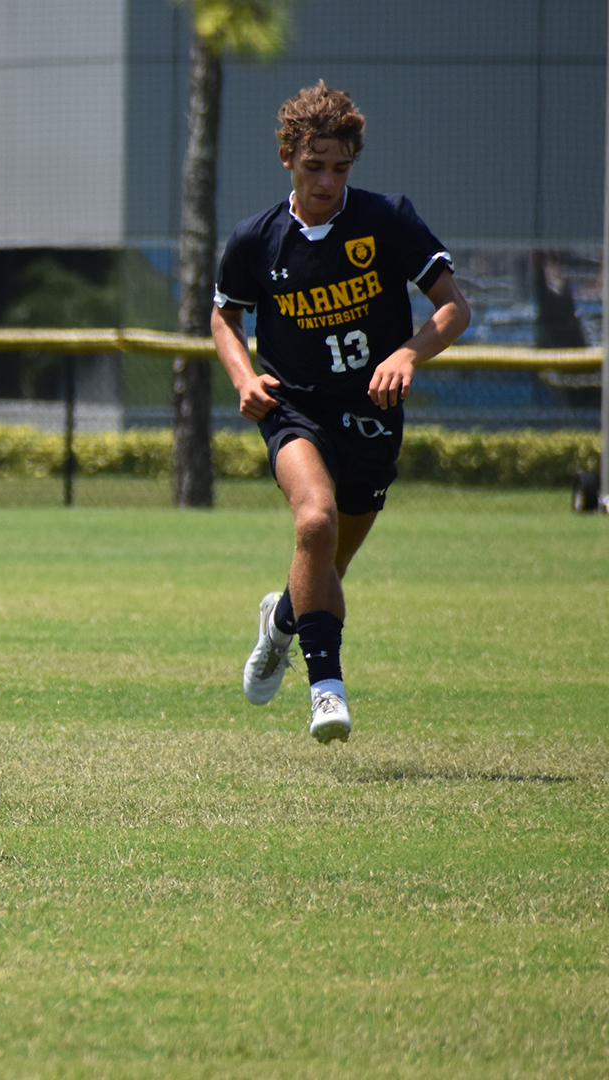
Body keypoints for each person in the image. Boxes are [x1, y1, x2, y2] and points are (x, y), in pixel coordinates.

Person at [211, 82, 470, 743]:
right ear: (286, 158)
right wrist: (243, 379)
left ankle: (280, 625)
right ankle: (326, 689)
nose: (327, 181)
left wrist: (409, 354)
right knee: (315, 519)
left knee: (326, 567)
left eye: (340, 167)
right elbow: (224, 313)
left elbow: (453, 307)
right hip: (293, 406)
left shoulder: (386, 221)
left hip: (372, 415)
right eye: (312, 166)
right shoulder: (257, 241)